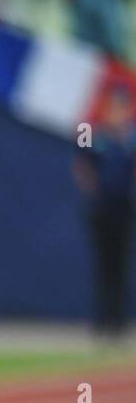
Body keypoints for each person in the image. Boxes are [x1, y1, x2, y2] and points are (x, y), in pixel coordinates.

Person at [73, 86, 135, 339]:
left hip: (125, 207)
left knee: (121, 265)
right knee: (103, 265)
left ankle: (119, 323)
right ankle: (102, 322)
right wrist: (92, 190)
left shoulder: (130, 138)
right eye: (112, 107)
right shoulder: (95, 136)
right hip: (102, 208)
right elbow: (82, 163)